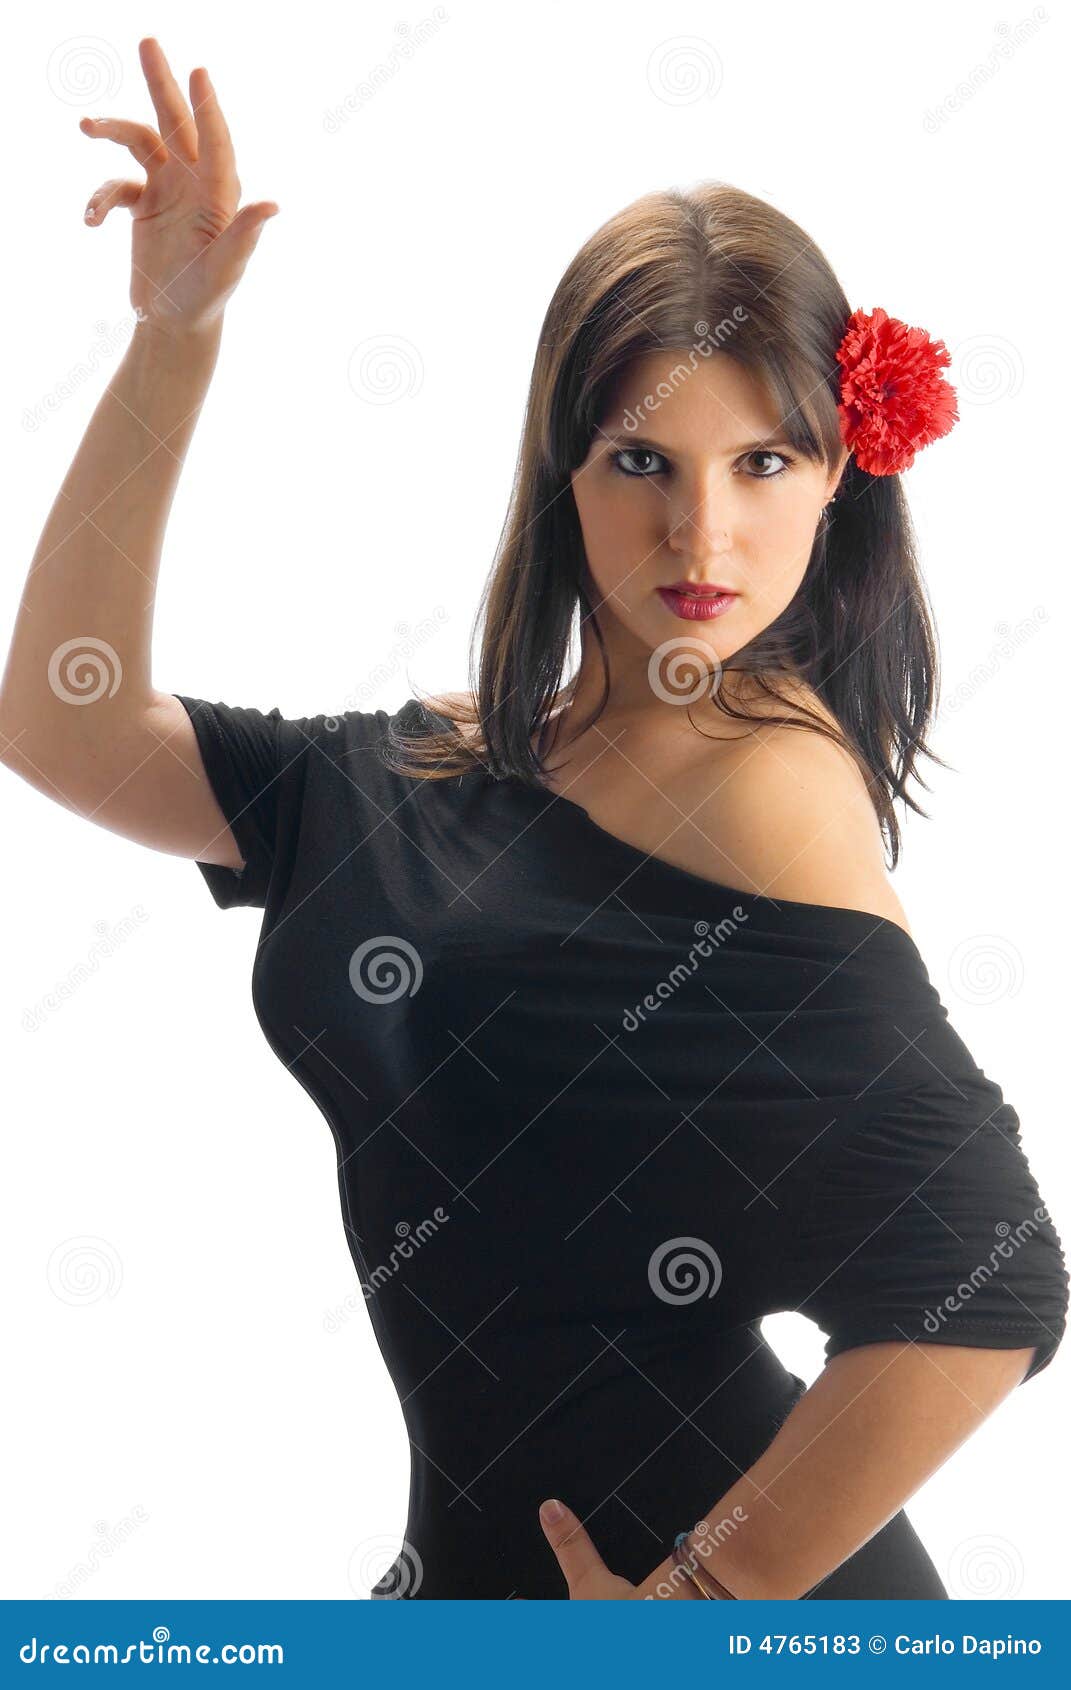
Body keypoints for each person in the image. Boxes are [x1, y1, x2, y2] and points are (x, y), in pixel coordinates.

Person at [2, 37, 1066, 1603]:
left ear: (839, 475)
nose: (702, 531)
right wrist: (177, 340)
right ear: (563, 470)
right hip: (478, 1586)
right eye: (643, 460)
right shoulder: (439, 767)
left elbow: (992, 1281)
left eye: (762, 462)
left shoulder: (768, 785)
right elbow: (64, 722)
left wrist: (704, 1606)